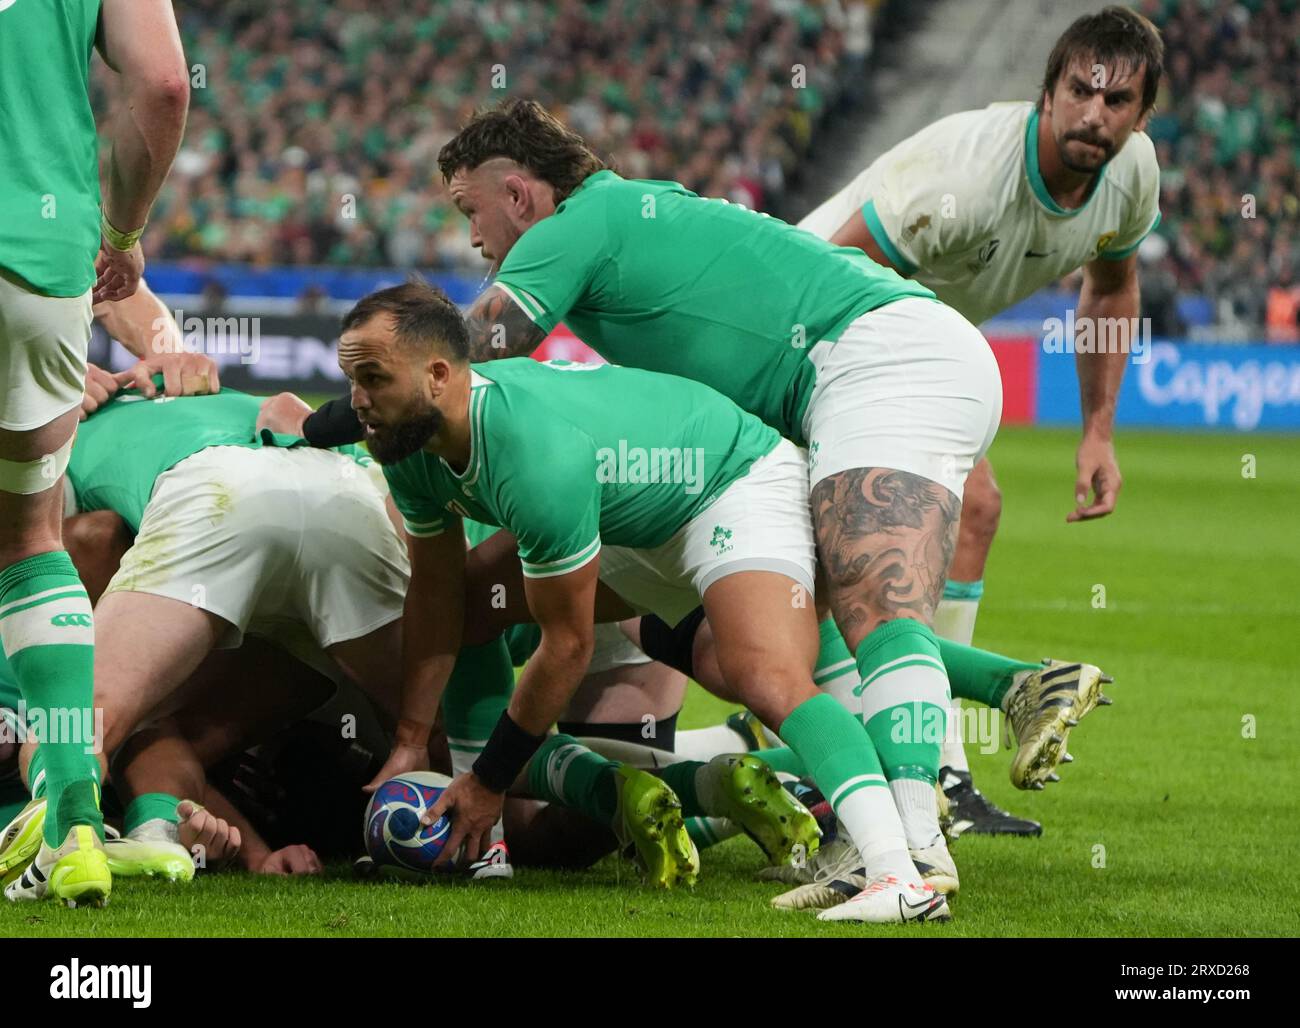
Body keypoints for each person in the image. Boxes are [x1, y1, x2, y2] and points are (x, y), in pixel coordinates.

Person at [334, 280, 951, 922]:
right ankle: (479, 839)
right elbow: (438, 596)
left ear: (437, 375)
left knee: (765, 675)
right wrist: (410, 740)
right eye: (350, 380)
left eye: (372, 379)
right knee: (472, 601)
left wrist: (491, 782)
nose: (357, 402)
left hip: (730, 481)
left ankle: (897, 875)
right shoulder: (410, 446)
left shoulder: (532, 457)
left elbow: (567, 647)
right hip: (629, 518)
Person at [796, 6, 1162, 834]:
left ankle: (927, 770)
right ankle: (887, 764)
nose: (1094, 116)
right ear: (1047, 91)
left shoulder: (1134, 175)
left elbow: (1108, 289)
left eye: (1117, 102)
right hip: (815, 324)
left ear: (1142, 116)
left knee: (971, 515)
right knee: (820, 577)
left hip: (910, 341)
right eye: (1080, 92)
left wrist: (1098, 429)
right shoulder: (962, 177)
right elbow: (835, 274)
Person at [0, 0, 190, 906]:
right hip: (41, 259)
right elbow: (161, 84)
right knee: (30, 542)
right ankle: (74, 820)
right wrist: (119, 235)